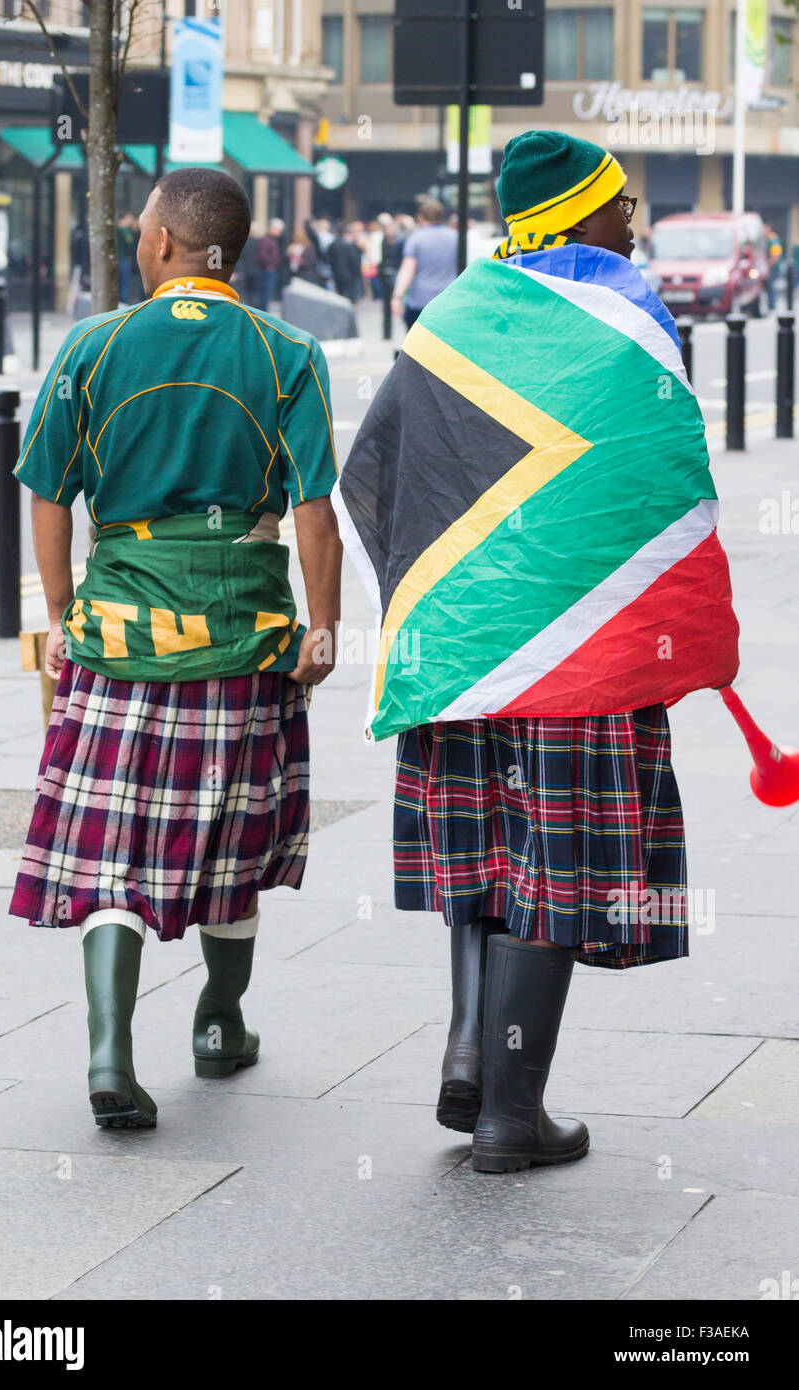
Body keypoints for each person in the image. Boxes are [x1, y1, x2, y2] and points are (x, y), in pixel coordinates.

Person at [333, 130, 738, 1173]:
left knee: (481, 848)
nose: (631, 228)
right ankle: (511, 1109)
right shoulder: (622, 318)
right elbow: (656, 479)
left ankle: (473, 1043)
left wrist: (445, 601)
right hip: (579, 654)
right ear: (576, 218)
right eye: (619, 208)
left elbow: (373, 471)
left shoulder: (450, 318)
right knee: (552, 862)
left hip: (463, 653)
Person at [9, 167, 343, 1130]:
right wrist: (320, 627)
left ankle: (109, 1051)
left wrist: (67, 612)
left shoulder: (94, 343)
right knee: (231, 837)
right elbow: (315, 509)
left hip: (118, 634)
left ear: (160, 243)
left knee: (111, 845)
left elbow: (47, 491)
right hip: (242, 640)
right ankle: (217, 1021)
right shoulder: (288, 351)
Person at [391, 197, 457, 328]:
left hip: (420, 302)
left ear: (421, 217)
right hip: (449, 301)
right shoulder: (456, 237)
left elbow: (408, 269)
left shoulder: (415, 239)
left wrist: (397, 296)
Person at [255, 217, 285, 309]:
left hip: (270, 270)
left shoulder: (272, 240)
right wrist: (270, 265)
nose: (280, 233)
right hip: (267, 271)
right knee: (265, 295)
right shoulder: (265, 240)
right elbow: (262, 255)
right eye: (279, 230)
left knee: (268, 295)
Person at [328, 224, 364, 302]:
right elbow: (355, 261)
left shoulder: (333, 245)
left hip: (337, 274)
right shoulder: (349, 246)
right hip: (350, 275)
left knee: (340, 295)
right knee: (348, 297)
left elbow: (329, 259)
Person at [115, 212, 137, 304]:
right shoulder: (125, 230)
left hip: (117, 259)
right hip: (124, 259)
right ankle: (123, 303)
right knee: (125, 283)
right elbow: (130, 243)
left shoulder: (115, 228)